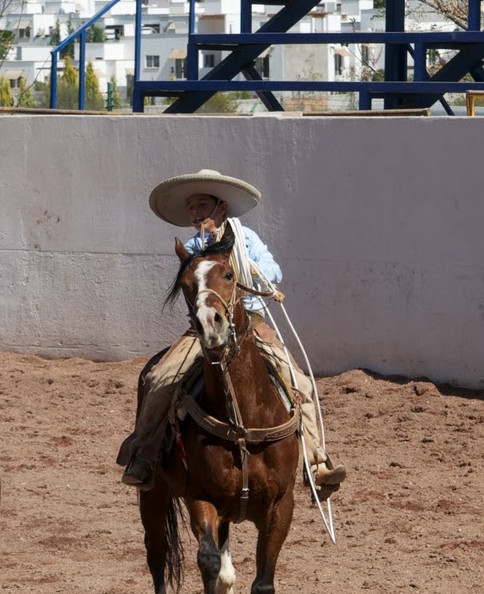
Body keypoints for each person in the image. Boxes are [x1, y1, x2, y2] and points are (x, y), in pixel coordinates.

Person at [117, 168, 347, 499]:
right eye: (191, 208)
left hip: (251, 324)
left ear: (221, 207)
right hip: (203, 329)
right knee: (158, 378)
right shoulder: (193, 247)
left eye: (201, 205)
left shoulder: (247, 239)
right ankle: (145, 455)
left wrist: (242, 268)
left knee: (301, 383)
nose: (195, 214)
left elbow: (274, 272)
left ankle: (316, 464)